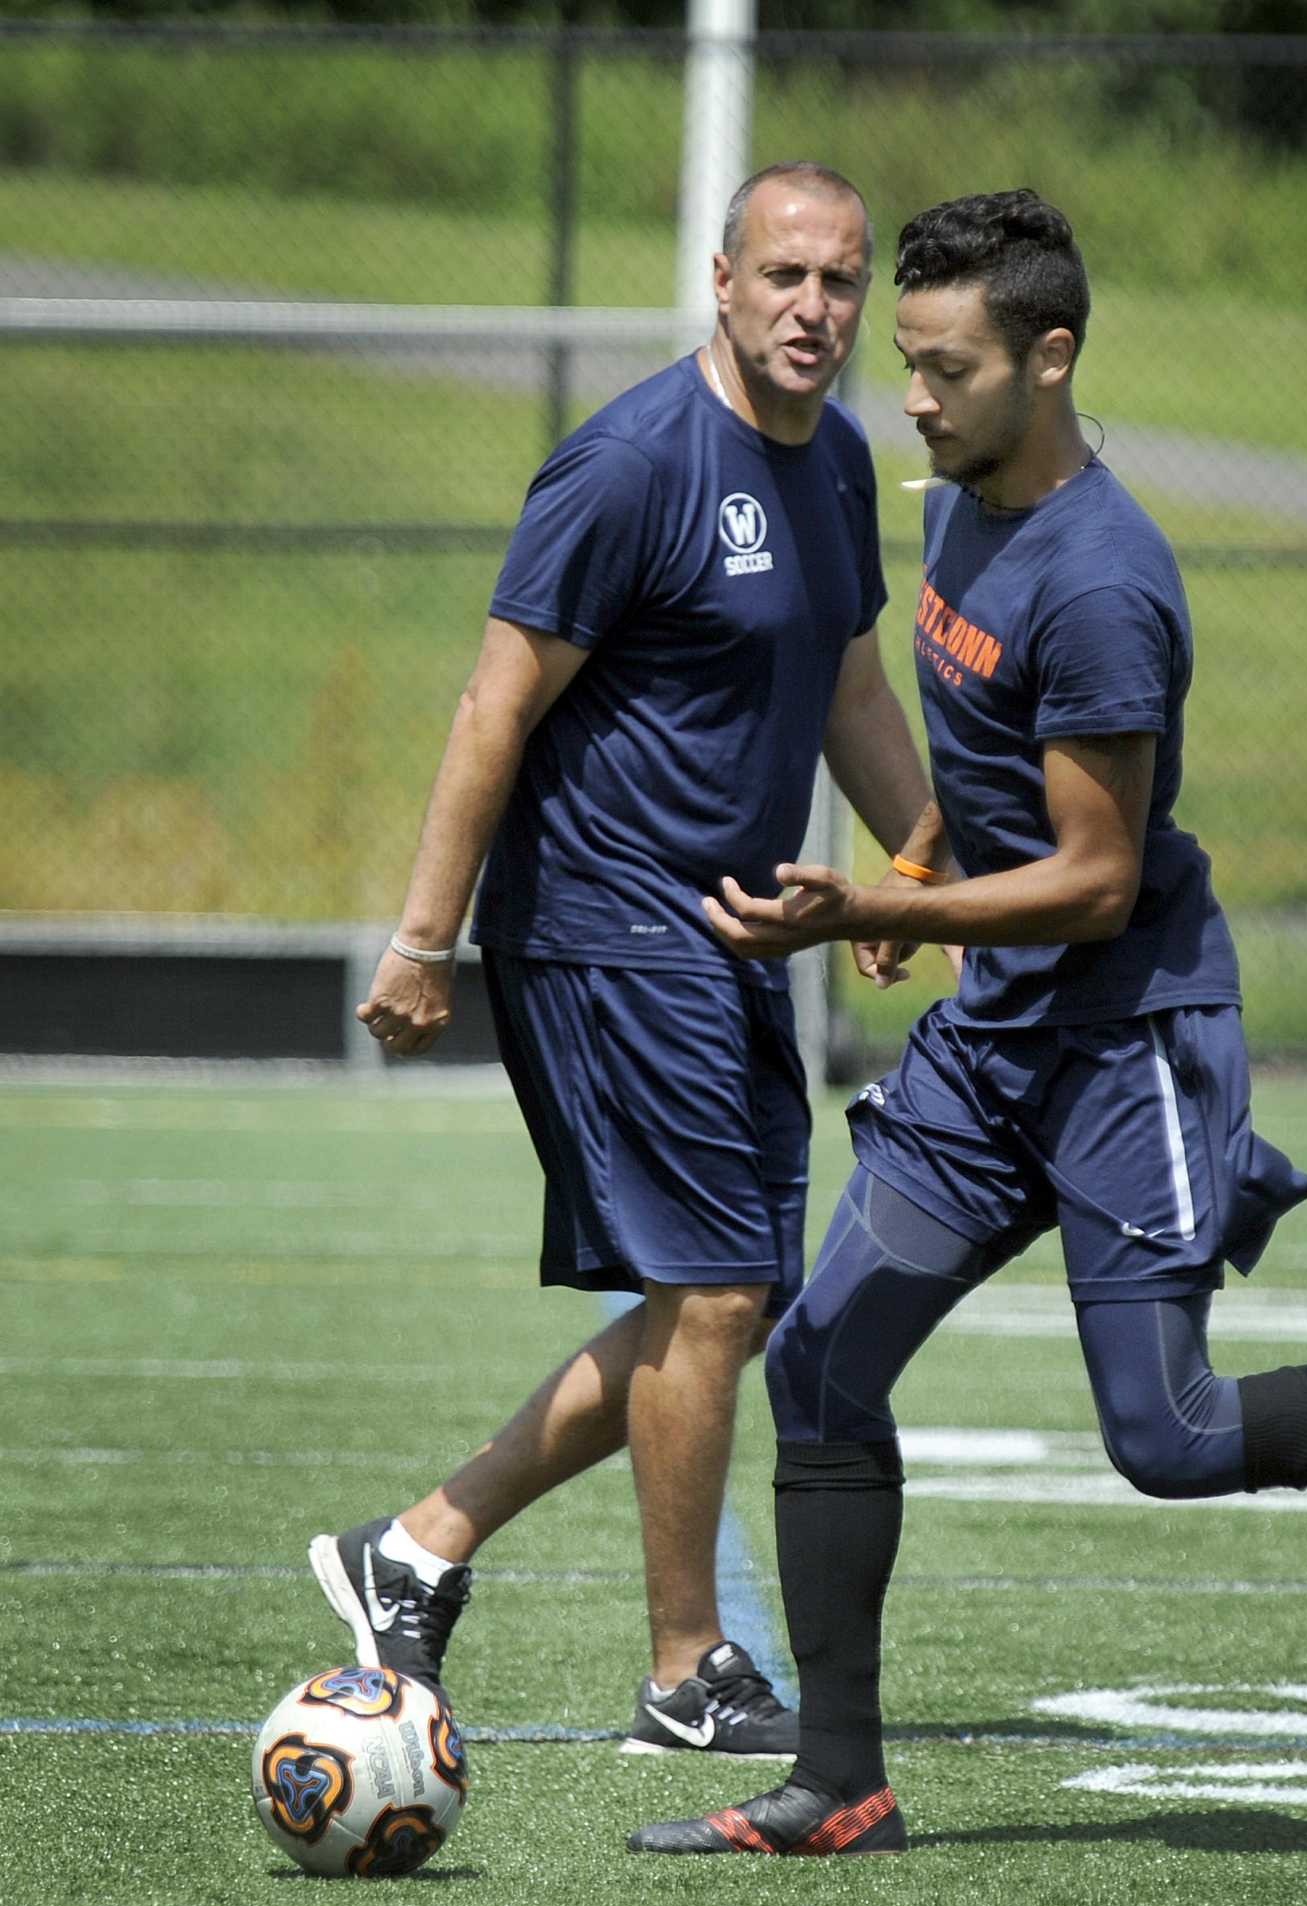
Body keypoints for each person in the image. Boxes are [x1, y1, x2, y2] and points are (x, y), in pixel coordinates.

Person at [626, 190, 1307, 1858]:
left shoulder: (1104, 583)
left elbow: (1090, 879)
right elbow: (994, 796)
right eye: (902, 359)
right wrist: (925, 847)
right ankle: (835, 1778)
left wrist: (875, 904)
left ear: (1045, 360)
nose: (904, 392)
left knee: (1172, 1436)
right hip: (1002, 1036)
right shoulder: (965, 500)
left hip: (1122, 1034)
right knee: (826, 1359)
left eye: (941, 365)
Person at [308, 162, 938, 1760]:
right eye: (784, 276)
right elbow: (492, 707)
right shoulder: (631, 462)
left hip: (739, 935)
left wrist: (918, 866)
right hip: (605, 925)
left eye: (841, 282)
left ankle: (419, 1547)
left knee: (718, 1306)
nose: (814, 309)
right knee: (718, 1291)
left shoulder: (840, 466)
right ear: (720, 283)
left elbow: (852, 687)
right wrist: (421, 938)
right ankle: (683, 1669)